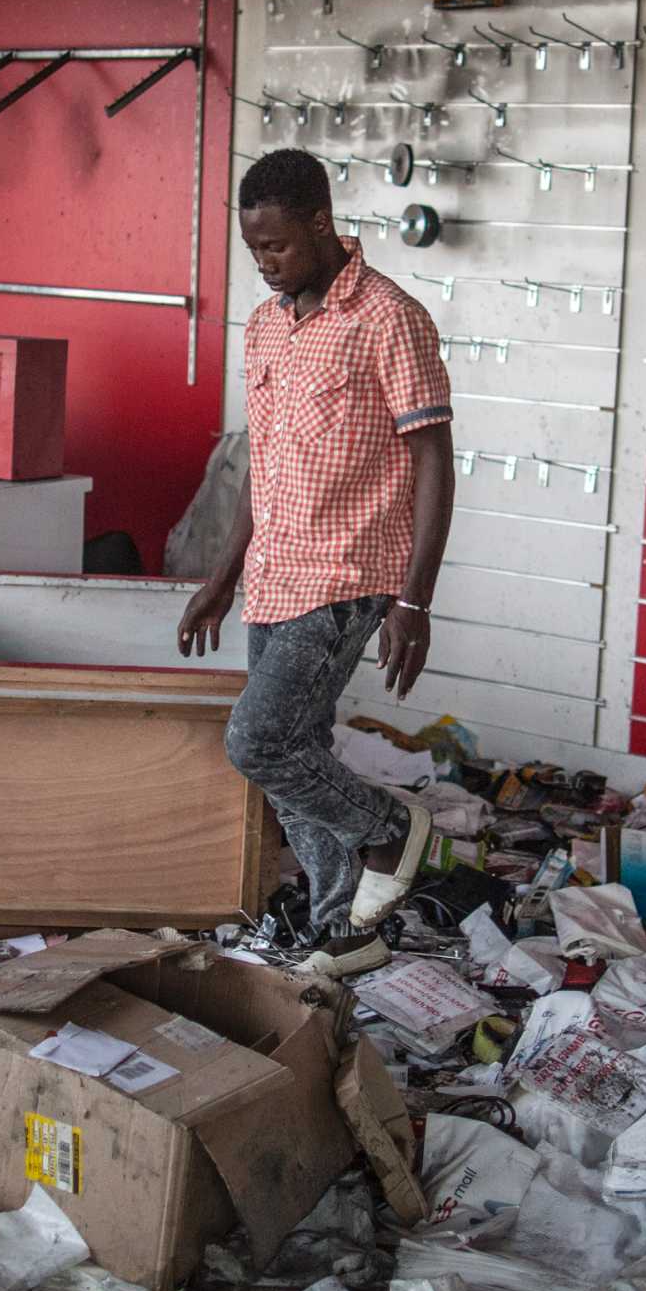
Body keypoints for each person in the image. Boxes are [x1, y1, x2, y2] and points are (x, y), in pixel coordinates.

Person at [178, 147, 454, 977]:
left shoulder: (389, 318)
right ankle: (345, 931)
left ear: (322, 224)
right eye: (252, 248)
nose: (264, 263)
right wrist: (222, 578)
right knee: (297, 755)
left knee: (258, 743)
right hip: (274, 576)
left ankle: (391, 831)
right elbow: (263, 466)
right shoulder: (265, 326)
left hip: (349, 575)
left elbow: (435, 461)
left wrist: (414, 601)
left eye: (277, 245)